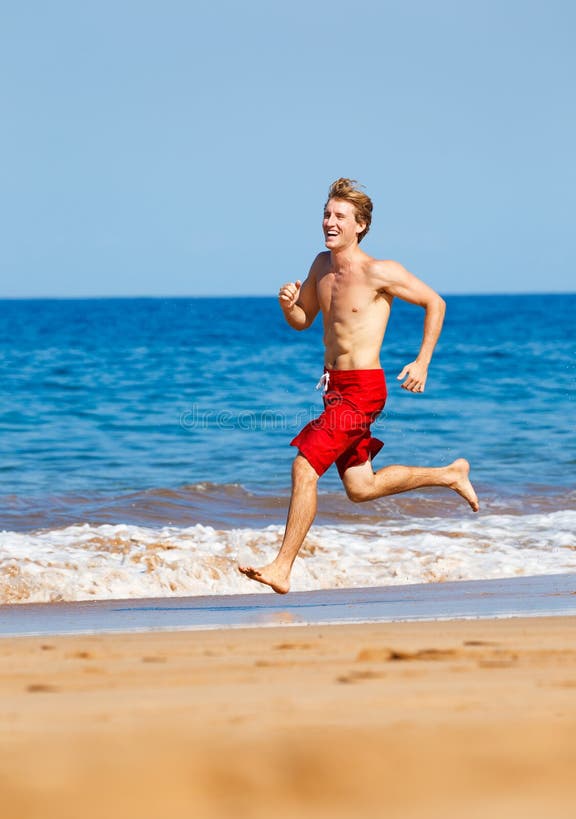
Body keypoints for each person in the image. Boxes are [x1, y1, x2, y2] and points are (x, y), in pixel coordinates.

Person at [239, 178, 478, 594]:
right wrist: (287, 305)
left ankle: (281, 567)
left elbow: (435, 302)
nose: (329, 222)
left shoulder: (379, 271)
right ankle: (450, 474)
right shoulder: (320, 266)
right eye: (326, 214)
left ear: (360, 225)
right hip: (334, 387)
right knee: (360, 487)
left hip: (364, 389)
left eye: (339, 216)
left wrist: (422, 361)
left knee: (304, 466)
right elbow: (304, 321)